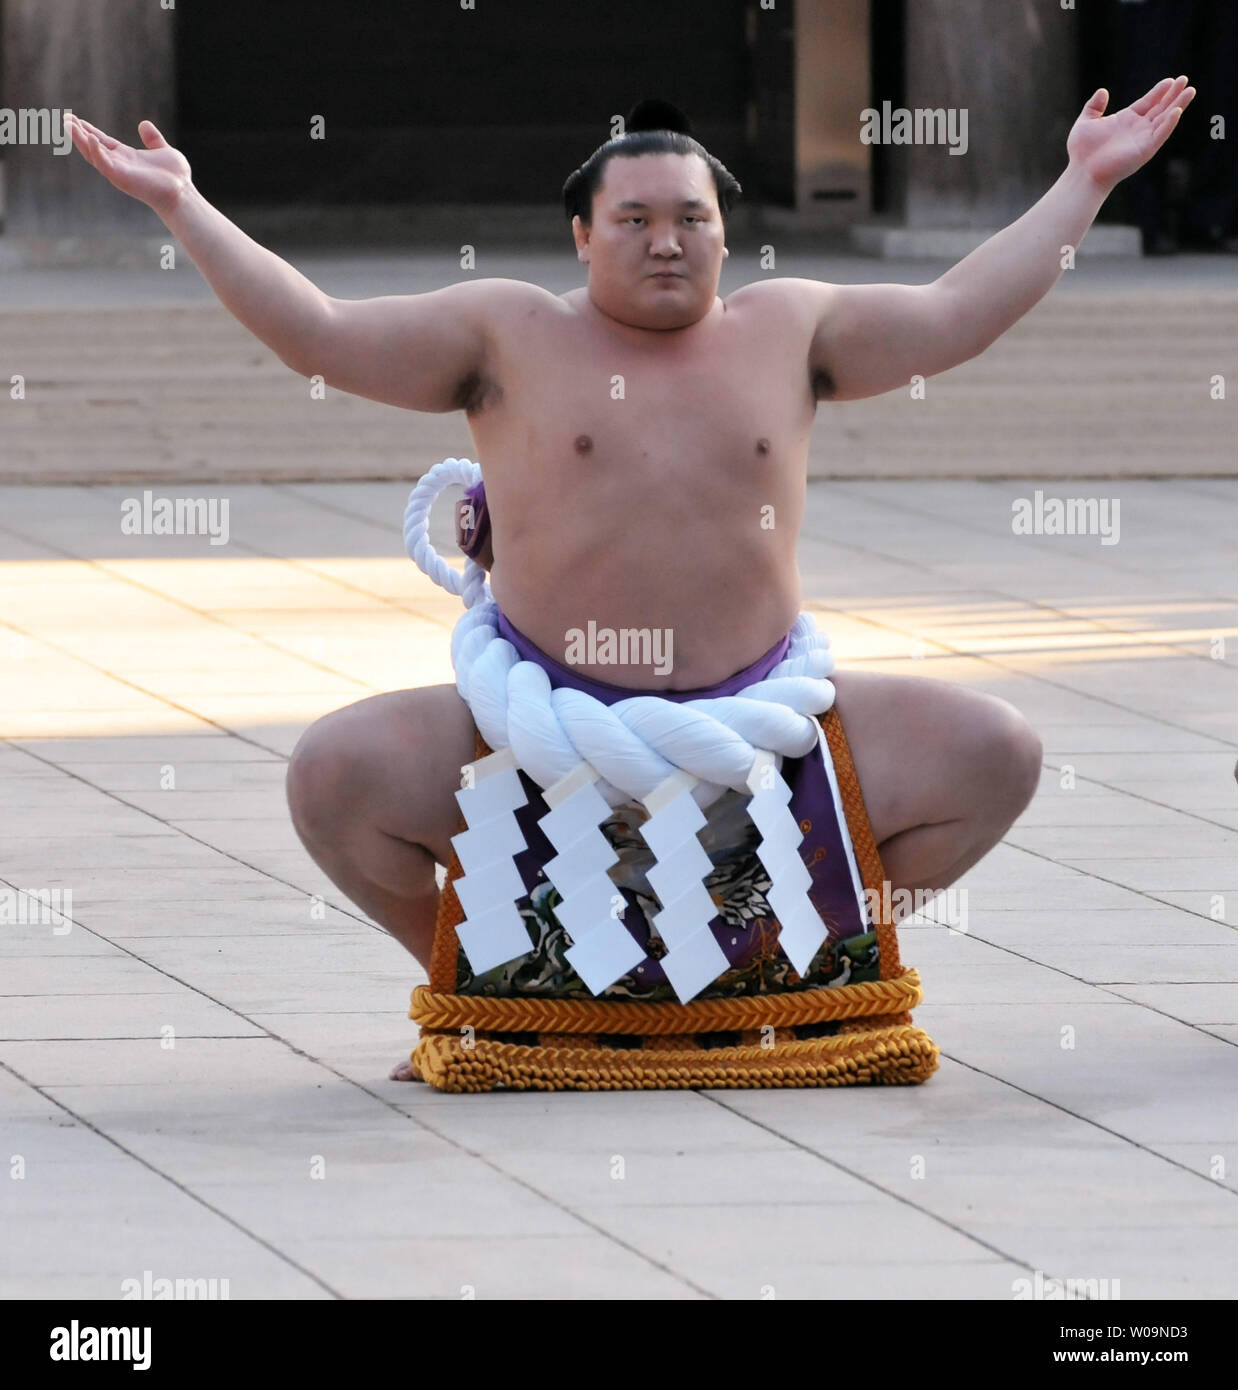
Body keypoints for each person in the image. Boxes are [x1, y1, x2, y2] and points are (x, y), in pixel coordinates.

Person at [68, 79, 1193, 1066]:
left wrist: (1081, 185)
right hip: (539, 746)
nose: (666, 241)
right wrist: (184, 203)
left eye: (691, 220)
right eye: (636, 220)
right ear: (580, 236)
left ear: (722, 235)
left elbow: (956, 314)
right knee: (331, 775)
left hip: (758, 745)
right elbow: (316, 331)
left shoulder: (791, 327)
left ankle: (796, 963)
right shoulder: (502, 334)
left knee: (996, 751)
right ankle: (487, 986)